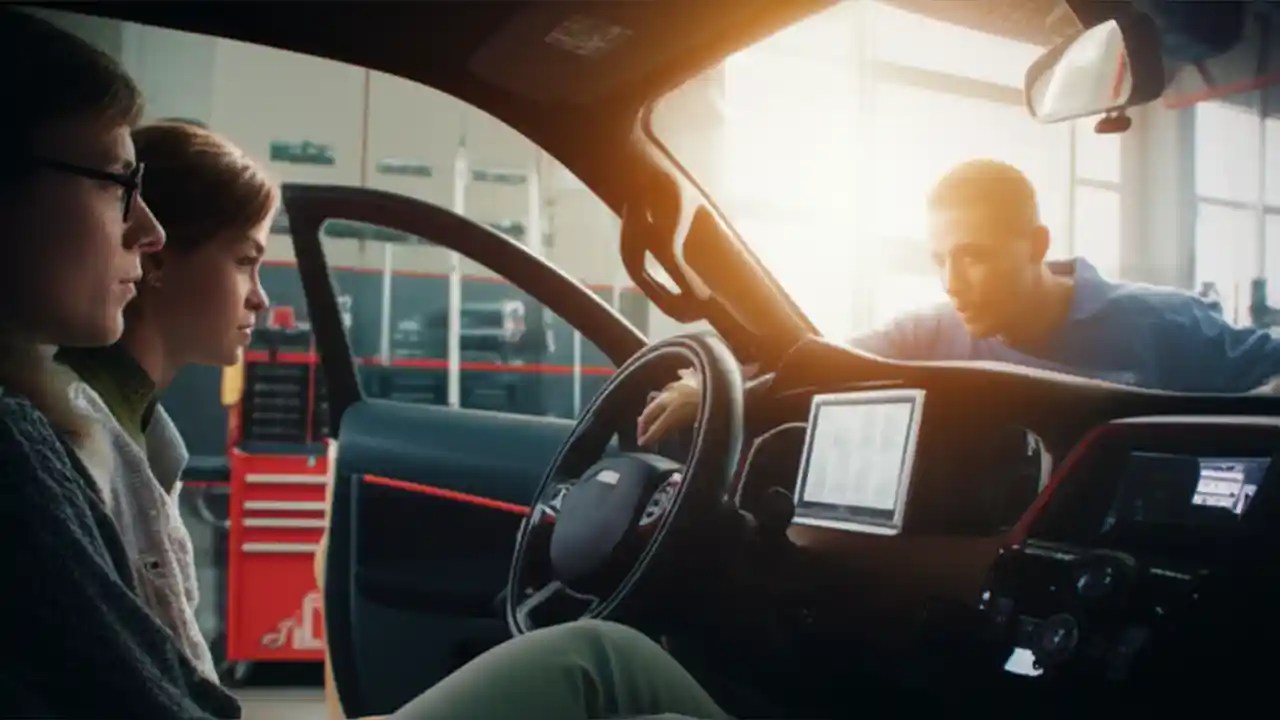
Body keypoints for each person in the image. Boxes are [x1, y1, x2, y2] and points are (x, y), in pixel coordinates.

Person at [0, 10, 729, 720]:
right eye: (113, 182)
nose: (145, 231)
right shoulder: (39, 445)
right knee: (603, 667)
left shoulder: (100, 433)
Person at [638, 159, 1280, 446]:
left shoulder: (1165, 323)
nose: (950, 280)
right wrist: (721, 389)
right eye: (938, 258)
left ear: (1036, 245)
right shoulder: (927, 334)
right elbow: (817, 363)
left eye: (972, 255)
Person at [54, 120, 276, 681]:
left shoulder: (137, 424)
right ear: (155, 260)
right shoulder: (71, 435)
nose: (261, 297)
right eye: (245, 261)